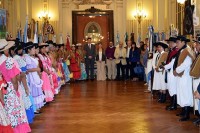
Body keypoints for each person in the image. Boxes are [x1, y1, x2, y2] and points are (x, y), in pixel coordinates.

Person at [0, 39, 31, 132]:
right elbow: (14, 79)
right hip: (9, 89)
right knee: (15, 111)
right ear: (6, 50)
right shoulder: (8, 61)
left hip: (2, 89)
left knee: (6, 112)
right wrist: (16, 91)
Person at [173, 36, 194, 121]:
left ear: (183, 42)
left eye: (178, 42)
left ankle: (187, 114)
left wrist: (176, 70)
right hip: (181, 76)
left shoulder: (187, 50)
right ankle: (183, 111)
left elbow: (186, 64)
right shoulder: (182, 50)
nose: (176, 44)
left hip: (185, 76)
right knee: (182, 92)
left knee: (186, 94)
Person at [24, 42, 45, 114]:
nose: (34, 50)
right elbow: (26, 70)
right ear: (29, 50)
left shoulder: (33, 58)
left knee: (37, 91)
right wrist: (36, 69)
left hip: (35, 76)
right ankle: (34, 108)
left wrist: (38, 71)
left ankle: (37, 107)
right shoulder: (27, 58)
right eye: (33, 49)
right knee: (33, 92)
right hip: (31, 77)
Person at [162, 37, 179, 110]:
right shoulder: (172, 50)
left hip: (173, 72)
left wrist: (164, 66)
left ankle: (174, 105)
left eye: (172, 42)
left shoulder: (176, 51)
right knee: (170, 87)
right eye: (169, 43)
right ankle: (172, 103)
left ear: (175, 43)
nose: (170, 44)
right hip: (169, 71)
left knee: (173, 88)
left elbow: (172, 63)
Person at [190, 36, 200, 124]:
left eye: (197, 44)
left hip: (198, 80)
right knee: (197, 100)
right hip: (196, 79)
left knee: (198, 98)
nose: (195, 45)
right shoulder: (198, 54)